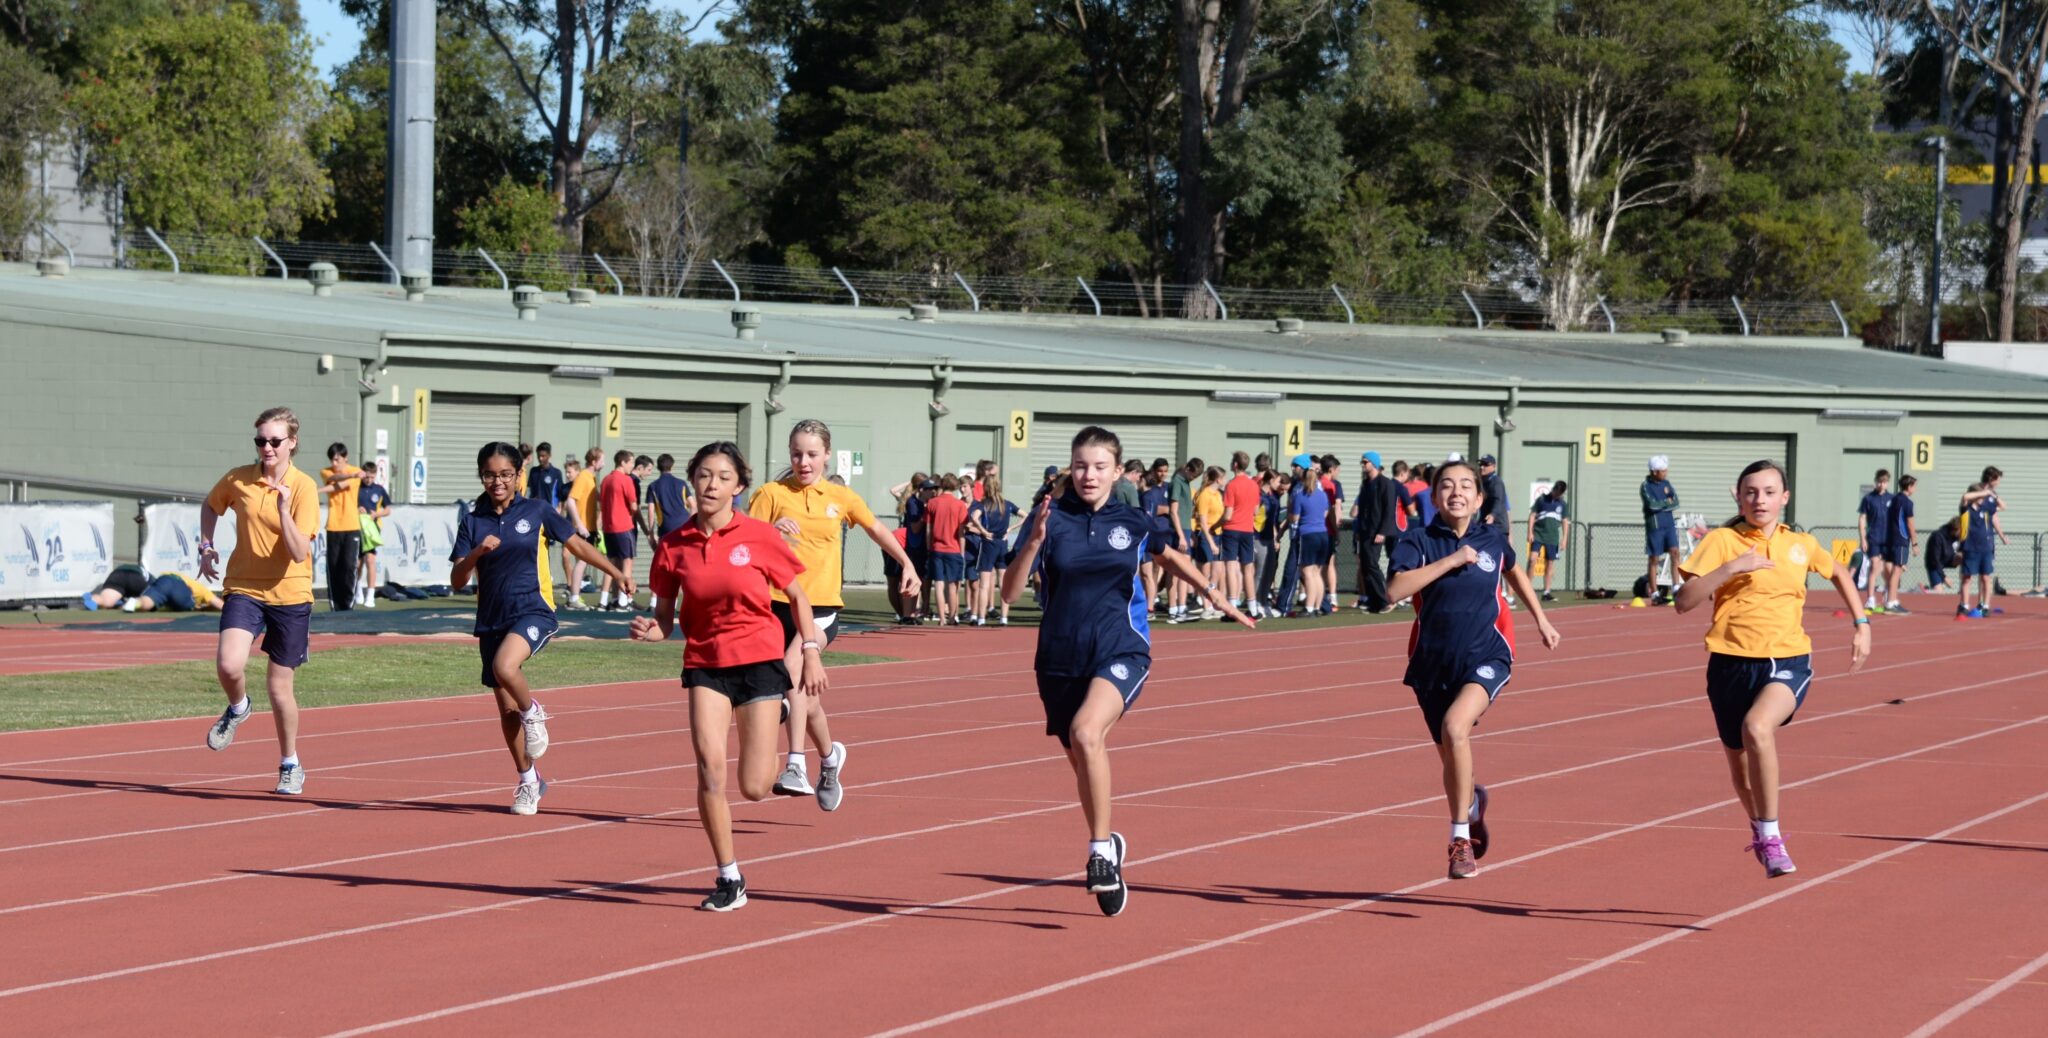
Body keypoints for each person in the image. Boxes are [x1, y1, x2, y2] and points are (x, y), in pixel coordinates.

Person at [1000, 426, 1253, 916]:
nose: (1088, 475)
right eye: (1080, 466)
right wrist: (1032, 542)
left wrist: (1213, 593)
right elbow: (1009, 594)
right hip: (1058, 658)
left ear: (1117, 472)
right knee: (1081, 757)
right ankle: (1111, 842)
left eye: (1099, 467)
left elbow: (1169, 556)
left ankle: (1099, 853)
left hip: (1120, 648)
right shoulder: (1049, 518)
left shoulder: (1133, 521)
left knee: (1086, 732)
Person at [632, 441, 828, 912]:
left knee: (755, 787)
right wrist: (651, 631)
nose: (711, 485)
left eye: (722, 477)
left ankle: (781, 708)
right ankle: (729, 876)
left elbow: (798, 597)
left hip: (759, 663)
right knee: (709, 769)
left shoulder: (759, 536)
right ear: (691, 481)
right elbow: (665, 618)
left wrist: (810, 651)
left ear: (738, 487)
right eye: (703, 475)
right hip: (705, 665)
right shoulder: (673, 545)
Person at [1675, 459, 1870, 878]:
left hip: (1787, 660)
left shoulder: (1799, 544)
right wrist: (1730, 568)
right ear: (1739, 497)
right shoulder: (1723, 541)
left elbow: (1838, 571)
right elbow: (1683, 600)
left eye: (1768, 492)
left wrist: (1862, 624)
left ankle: (1771, 835)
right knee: (1741, 772)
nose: (1759, 500)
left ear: (1784, 497)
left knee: (1758, 727)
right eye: (1750, 492)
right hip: (1729, 665)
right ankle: (1760, 826)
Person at [1387, 460, 1562, 879]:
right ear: (1434, 497)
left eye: (1466, 485)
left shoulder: (1492, 540)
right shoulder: (1418, 540)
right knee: (1450, 759)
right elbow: (1393, 590)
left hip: (1487, 655)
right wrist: (1451, 561)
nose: (1457, 492)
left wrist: (1541, 619)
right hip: (1432, 664)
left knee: (1455, 727)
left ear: (1479, 498)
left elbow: (1514, 571)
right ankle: (1471, 806)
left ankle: (1460, 841)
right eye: (1447, 485)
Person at [451, 442, 632, 815]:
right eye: (489, 475)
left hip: (534, 611)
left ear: (519, 474)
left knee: (505, 667)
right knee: (506, 712)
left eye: (505, 474)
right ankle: (529, 781)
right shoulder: (472, 520)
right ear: (481, 476)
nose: (497, 482)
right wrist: (477, 553)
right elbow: (457, 580)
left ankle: (533, 711)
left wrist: (616, 573)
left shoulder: (537, 510)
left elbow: (577, 546)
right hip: (491, 618)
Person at [749, 419, 920, 809]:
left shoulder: (841, 497)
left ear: (827, 454)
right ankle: (830, 758)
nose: (804, 462)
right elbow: (744, 541)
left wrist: (908, 564)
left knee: (792, 667)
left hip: (821, 607)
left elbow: (877, 530)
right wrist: (771, 530)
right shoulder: (771, 494)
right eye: (797, 454)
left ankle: (795, 765)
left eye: (812, 454)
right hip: (775, 605)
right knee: (806, 701)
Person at [198, 406, 320, 795]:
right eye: (260, 441)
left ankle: (290, 763)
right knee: (228, 664)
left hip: (290, 593)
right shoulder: (239, 478)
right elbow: (210, 505)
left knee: (279, 689)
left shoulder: (304, 487)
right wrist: (205, 545)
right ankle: (238, 707)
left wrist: (284, 510)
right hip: (245, 587)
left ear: (292, 443)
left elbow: (299, 552)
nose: (267, 448)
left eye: (274, 441)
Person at [1351, 451, 1401, 612]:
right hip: (1365, 530)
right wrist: (1358, 529)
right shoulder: (1366, 483)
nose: (1363, 465)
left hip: (1377, 531)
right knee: (1365, 566)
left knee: (1372, 564)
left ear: (1374, 463)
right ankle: (1374, 602)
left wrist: (1382, 532)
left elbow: (1389, 510)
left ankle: (1385, 600)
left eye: (1365, 462)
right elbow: (1362, 508)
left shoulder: (1386, 484)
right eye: (1362, 462)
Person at [1957, 469, 2009, 619]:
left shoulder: (1986, 508)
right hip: (1970, 547)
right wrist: (1983, 493)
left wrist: (1993, 495)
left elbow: (2003, 507)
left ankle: (1985, 605)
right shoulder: (1966, 508)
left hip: (1985, 547)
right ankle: (1964, 605)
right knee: (1967, 578)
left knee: (1986, 577)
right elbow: (1965, 496)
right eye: (1980, 496)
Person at [1287, 453, 1333, 616]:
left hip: (1307, 535)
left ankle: (1309, 607)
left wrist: (1290, 514)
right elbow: (1326, 512)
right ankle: (1318, 606)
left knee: (1307, 572)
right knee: (1316, 572)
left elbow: (1295, 518)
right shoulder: (1322, 494)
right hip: (1322, 534)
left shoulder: (1300, 495)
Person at [320, 443, 364, 611]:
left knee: (349, 565)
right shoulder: (326, 471)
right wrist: (351, 475)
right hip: (333, 526)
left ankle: (348, 604)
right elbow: (335, 479)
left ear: (346, 458)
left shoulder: (356, 471)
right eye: (332, 459)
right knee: (334, 566)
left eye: (337, 459)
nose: (334, 463)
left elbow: (340, 486)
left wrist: (318, 490)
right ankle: (335, 604)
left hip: (351, 526)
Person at [598, 448, 641, 611]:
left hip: (609, 528)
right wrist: (642, 525)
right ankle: (623, 601)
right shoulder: (626, 480)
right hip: (623, 526)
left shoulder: (606, 480)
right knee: (627, 562)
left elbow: (602, 504)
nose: (632, 466)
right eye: (631, 462)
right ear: (623, 462)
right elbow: (633, 506)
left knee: (613, 564)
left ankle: (608, 599)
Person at [562, 449, 604, 609]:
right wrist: (579, 524)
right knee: (582, 561)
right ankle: (574, 597)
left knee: (583, 562)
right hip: (583, 528)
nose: (604, 463)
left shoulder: (591, 478)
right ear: (594, 461)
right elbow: (571, 501)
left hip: (590, 527)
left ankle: (575, 596)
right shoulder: (583, 477)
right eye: (602, 460)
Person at [1220, 452, 1260, 617]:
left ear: (1235, 464)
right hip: (1247, 530)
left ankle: (1232, 608)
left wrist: (1215, 525)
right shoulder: (1254, 485)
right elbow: (1256, 511)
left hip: (1232, 529)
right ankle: (1253, 608)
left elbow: (1228, 514)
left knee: (1230, 567)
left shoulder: (1231, 485)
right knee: (1248, 569)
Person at [927, 474, 970, 623]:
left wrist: (929, 547)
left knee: (938, 584)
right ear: (956, 486)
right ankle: (952, 616)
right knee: (953, 585)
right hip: (954, 549)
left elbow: (929, 529)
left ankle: (941, 618)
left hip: (936, 549)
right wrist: (962, 552)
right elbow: (961, 532)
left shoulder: (932, 503)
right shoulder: (960, 505)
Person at [1642, 455, 1682, 605]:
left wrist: (1663, 504)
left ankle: (1676, 588)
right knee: (1654, 558)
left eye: (1666, 470)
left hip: (1669, 524)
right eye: (1662, 471)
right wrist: (1666, 503)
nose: (1665, 473)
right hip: (1655, 526)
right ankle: (1655, 593)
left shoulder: (1667, 484)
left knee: (1675, 552)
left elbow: (1676, 502)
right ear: (1654, 471)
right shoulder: (1646, 486)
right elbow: (1652, 505)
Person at [1525, 480, 1570, 602]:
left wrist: (1564, 539)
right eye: (1556, 491)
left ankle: (1546, 593)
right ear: (1553, 489)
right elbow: (1532, 515)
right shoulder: (1542, 499)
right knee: (1532, 559)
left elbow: (1565, 521)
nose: (1556, 494)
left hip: (1552, 537)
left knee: (1550, 563)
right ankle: (1527, 589)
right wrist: (1530, 532)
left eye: (1559, 493)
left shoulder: (1563, 504)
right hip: (1538, 534)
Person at [1192, 465, 1227, 620]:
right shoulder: (1205, 494)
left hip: (1218, 535)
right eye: (1223, 477)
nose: (1225, 480)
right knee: (1205, 573)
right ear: (1218, 479)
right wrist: (1211, 543)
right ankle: (1206, 606)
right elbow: (1203, 522)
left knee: (1217, 571)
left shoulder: (1218, 494)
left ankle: (1213, 602)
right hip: (1206, 536)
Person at [1856, 469, 1893, 614]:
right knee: (1874, 567)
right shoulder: (1868, 499)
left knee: (1889, 570)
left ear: (1887, 483)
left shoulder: (1892, 499)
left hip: (1888, 539)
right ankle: (1870, 599)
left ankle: (1888, 596)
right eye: (1879, 482)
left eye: (1884, 482)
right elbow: (1862, 518)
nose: (1881, 485)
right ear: (1875, 481)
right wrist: (1863, 538)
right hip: (1874, 538)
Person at [1140, 460, 1173, 611]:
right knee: (1151, 567)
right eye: (1160, 471)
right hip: (1154, 531)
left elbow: (1176, 508)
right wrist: (1167, 509)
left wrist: (1168, 509)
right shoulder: (1149, 490)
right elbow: (1152, 510)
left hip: (1167, 531)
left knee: (1162, 567)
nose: (1163, 474)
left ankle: (1154, 597)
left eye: (1165, 471)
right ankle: (1151, 599)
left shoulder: (1169, 487)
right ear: (1154, 470)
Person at [1881, 475, 1916, 613]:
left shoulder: (1893, 499)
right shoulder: (1907, 502)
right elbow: (1910, 523)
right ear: (1909, 486)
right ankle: (1890, 602)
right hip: (1901, 539)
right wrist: (1915, 543)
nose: (1915, 489)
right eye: (1914, 486)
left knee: (1894, 570)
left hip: (1889, 539)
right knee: (1897, 570)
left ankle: (1892, 599)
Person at [356, 469, 392, 607]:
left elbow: (387, 510)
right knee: (357, 563)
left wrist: (376, 514)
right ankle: (358, 590)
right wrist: (356, 510)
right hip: (357, 528)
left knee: (370, 560)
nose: (369, 480)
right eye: (367, 477)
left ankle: (370, 595)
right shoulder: (356, 487)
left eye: (372, 477)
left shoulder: (379, 489)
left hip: (372, 529)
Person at [118, 572, 223, 612]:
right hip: (180, 586)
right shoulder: (205, 592)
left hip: (164, 580)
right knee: (188, 605)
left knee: (147, 602)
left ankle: (134, 603)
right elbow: (220, 605)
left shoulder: (195, 585)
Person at [647, 453, 692, 538]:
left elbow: (651, 512)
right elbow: (693, 505)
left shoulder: (653, 486)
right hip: (684, 524)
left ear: (658, 467)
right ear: (672, 466)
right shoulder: (681, 483)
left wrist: (651, 534)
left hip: (666, 526)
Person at [81, 564, 150, 611]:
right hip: (137, 577)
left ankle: (93, 599)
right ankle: (130, 604)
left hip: (117, 574)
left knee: (106, 601)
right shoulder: (152, 579)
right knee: (148, 601)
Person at [528, 443, 564, 512]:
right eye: (538, 456)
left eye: (543, 456)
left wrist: (559, 509)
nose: (540, 458)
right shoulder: (533, 471)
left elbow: (560, 494)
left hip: (550, 510)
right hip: (535, 510)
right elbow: (529, 491)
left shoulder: (556, 473)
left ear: (549, 455)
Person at [1477, 454, 1509, 529]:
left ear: (1493, 466)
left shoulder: (1496, 481)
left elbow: (1498, 500)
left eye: (1485, 464)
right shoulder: (1483, 481)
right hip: (1485, 524)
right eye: (1481, 464)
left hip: (1497, 526)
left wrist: (1492, 515)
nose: (1482, 467)